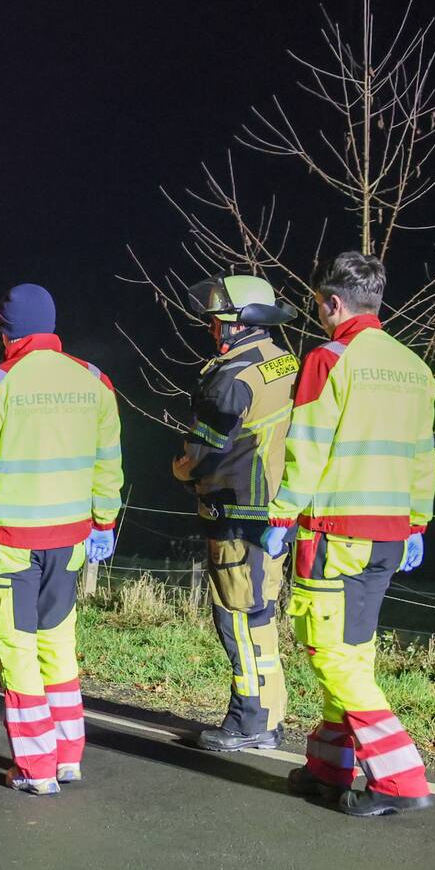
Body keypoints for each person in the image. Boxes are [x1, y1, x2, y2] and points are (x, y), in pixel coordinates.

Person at [260, 251, 435, 816]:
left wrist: (282, 514)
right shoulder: (413, 366)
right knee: (353, 654)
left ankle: (399, 779)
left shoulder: (329, 359)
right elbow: (421, 456)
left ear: (333, 303)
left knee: (331, 654)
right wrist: (417, 521)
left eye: (318, 305)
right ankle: (329, 765)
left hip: (334, 535)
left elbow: (305, 448)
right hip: (388, 536)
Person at [0, 284, 123, 795]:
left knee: (18, 651)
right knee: (59, 646)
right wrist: (105, 522)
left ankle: (36, 769)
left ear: (7, 330)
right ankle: (67, 757)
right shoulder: (95, 382)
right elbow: (109, 465)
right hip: (71, 543)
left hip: (13, 543)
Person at [172, 275, 300, 752]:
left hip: (237, 516)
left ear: (239, 324)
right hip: (275, 515)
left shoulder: (229, 379)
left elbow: (201, 452)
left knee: (239, 619)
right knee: (260, 617)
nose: (212, 329)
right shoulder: (285, 362)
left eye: (218, 321)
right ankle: (268, 717)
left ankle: (249, 721)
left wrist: (180, 470)